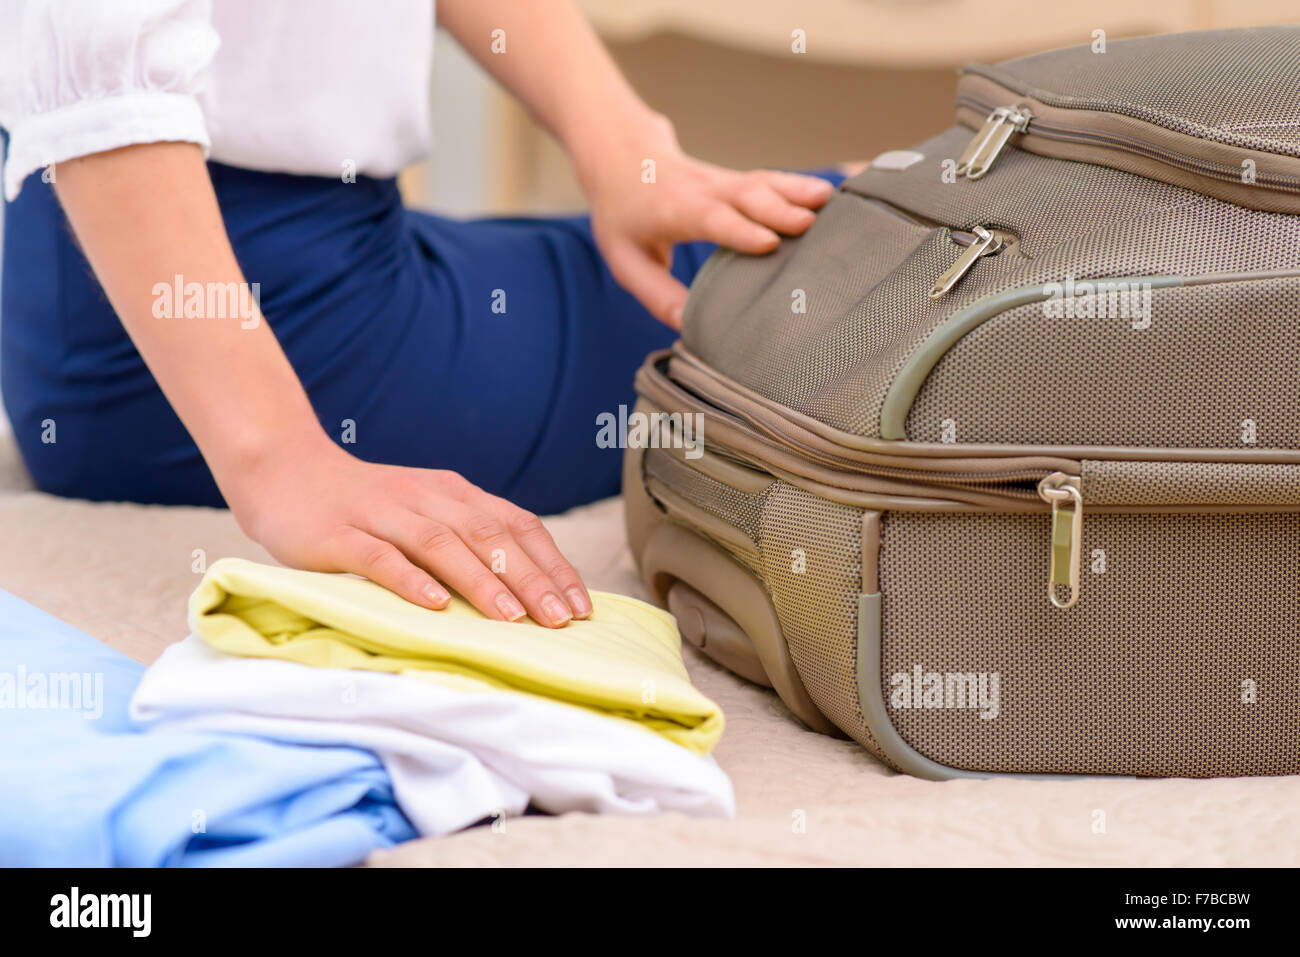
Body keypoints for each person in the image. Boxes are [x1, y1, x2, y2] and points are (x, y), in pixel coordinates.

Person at [0, 0, 841, 628]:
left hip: (241, 251)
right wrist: (278, 459)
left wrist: (624, 145)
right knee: (844, 257)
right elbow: (93, 48)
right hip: (217, 305)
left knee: (842, 231)